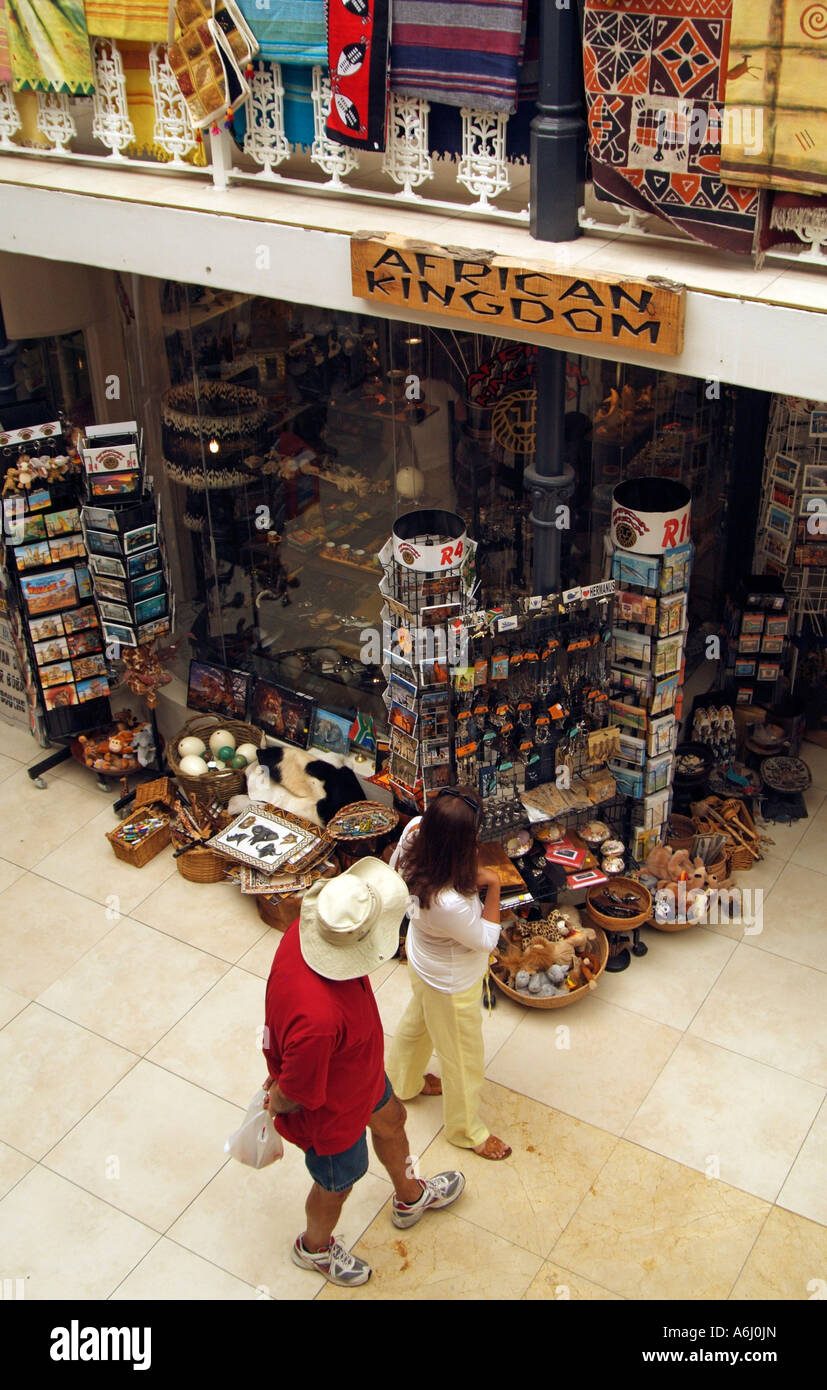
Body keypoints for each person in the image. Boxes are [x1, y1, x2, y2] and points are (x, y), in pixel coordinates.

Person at [262, 857, 466, 1288]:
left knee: (393, 1121)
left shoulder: (300, 934)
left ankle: (410, 1197)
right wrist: (273, 1100)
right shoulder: (316, 1020)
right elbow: (292, 1093)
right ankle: (313, 1247)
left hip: (360, 1073)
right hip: (332, 1112)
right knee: (336, 1184)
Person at [387, 787, 512, 1161]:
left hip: (422, 960)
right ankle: (465, 1130)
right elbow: (488, 939)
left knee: (419, 1022)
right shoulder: (449, 903)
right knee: (462, 1057)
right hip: (452, 981)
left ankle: (402, 1081)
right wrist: (493, 883)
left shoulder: (414, 833)